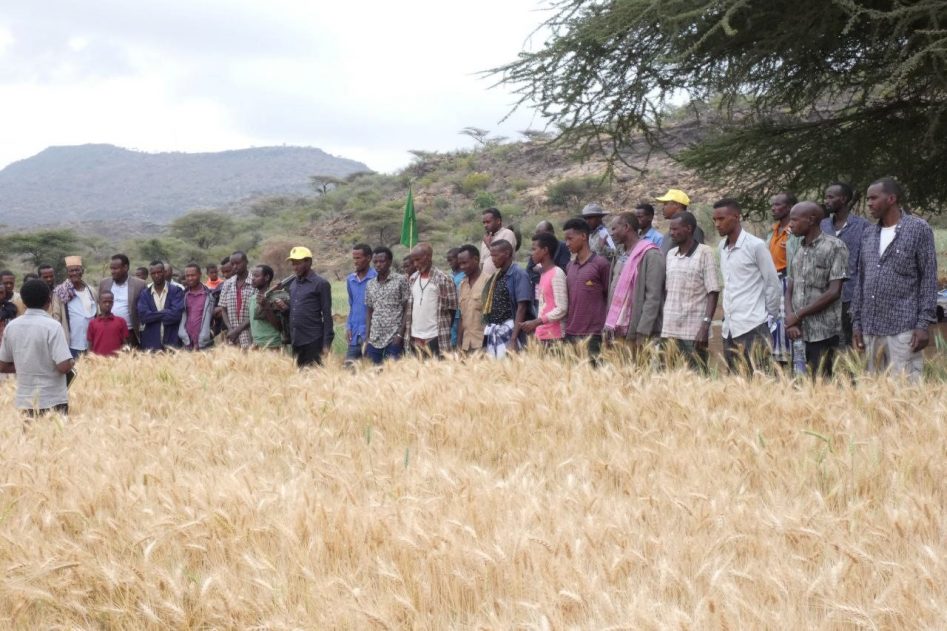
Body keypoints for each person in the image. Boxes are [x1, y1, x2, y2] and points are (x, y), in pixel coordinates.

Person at [852, 177, 938, 380]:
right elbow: (861, 281)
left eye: (874, 198)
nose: (869, 204)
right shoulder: (868, 234)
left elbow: (928, 278)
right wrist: (857, 323)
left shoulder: (918, 229)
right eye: (867, 199)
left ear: (891, 198)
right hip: (870, 329)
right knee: (873, 393)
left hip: (903, 328)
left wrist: (923, 324)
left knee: (905, 392)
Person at [713, 198, 781, 372]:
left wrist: (768, 318)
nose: (717, 224)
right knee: (736, 383)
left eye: (721, 219)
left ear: (736, 217)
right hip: (729, 327)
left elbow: (772, 283)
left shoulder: (756, 246)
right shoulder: (722, 247)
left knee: (760, 379)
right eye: (714, 220)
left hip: (753, 325)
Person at [785, 202, 849, 378]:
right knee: (800, 384)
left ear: (811, 220)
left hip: (823, 332)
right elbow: (790, 288)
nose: (790, 224)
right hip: (798, 331)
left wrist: (798, 315)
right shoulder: (798, 249)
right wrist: (791, 320)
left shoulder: (835, 246)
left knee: (823, 382)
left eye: (794, 219)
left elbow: (834, 291)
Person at [0, 280, 74, 417]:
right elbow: (63, 367)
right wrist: (72, 363)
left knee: (28, 438)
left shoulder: (12, 327)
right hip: (53, 399)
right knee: (56, 438)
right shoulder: (53, 326)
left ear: (23, 301)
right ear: (49, 300)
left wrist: (26, 365)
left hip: (25, 400)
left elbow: (2, 366)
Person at [662, 212, 720, 371]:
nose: (671, 233)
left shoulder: (705, 252)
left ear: (689, 229)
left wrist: (705, 326)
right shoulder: (670, 255)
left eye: (675, 229)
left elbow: (713, 291)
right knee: (668, 378)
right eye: (670, 230)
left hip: (693, 331)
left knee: (697, 379)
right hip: (669, 329)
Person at [604, 212, 665, 349]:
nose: (611, 233)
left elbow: (653, 297)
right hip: (617, 329)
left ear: (626, 227)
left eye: (614, 229)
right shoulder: (620, 254)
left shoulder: (651, 255)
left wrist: (643, 331)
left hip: (638, 332)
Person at [821, 182, 869, 348]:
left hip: (851, 293)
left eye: (830, 197)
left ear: (844, 199)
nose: (826, 201)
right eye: (826, 197)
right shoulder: (823, 225)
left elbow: (866, 261)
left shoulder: (862, 226)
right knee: (831, 340)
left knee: (850, 341)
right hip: (826, 293)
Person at [273, 246, 334, 367]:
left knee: (314, 378)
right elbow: (293, 311)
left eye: (298, 263)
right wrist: (284, 308)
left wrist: (326, 344)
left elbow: (327, 316)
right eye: (293, 263)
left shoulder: (321, 284)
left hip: (313, 340)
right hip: (297, 340)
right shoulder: (293, 284)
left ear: (308, 262)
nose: (295, 267)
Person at [563, 217, 611, 356]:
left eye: (570, 239)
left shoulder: (601, 264)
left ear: (584, 236)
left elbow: (609, 297)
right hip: (571, 333)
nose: (567, 243)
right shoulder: (570, 266)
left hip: (593, 335)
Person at [765, 192, 802, 365]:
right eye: (772, 204)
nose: (773, 208)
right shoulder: (773, 231)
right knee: (773, 323)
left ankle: (792, 361)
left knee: (786, 322)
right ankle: (778, 359)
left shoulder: (795, 232)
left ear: (788, 208)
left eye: (777, 204)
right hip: (773, 282)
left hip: (789, 281)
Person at [403, 243, 458, 357]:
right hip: (415, 337)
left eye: (418, 260)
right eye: (413, 261)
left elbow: (452, 310)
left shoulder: (444, 279)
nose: (415, 264)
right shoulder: (413, 279)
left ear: (428, 257)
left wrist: (442, 329)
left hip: (434, 338)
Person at [481, 239, 533, 357]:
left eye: (495, 255)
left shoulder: (518, 274)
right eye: (491, 255)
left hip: (510, 331)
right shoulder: (498, 275)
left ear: (507, 253)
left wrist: (513, 339)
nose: (492, 259)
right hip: (497, 330)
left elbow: (522, 307)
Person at [364, 247, 411, 364]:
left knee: (393, 376)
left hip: (394, 338)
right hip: (375, 338)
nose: (378, 265)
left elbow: (407, 308)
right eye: (375, 262)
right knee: (373, 375)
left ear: (389, 262)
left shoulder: (401, 281)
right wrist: (367, 337)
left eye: (382, 261)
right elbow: (369, 311)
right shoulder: (370, 284)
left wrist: (400, 334)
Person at [521, 232, 568, 344]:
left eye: (534, 249)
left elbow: (562, 308)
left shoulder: (557, 273)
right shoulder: (543, 274)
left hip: (554, 337)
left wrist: (536, 322)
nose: (531, 253)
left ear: (545, 250)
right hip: (542, 335)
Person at [51, 256, 98, 359]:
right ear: (67, 273)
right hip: (71, 344)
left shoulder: (91, 291)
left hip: (91, 342)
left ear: (82, 271)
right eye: (71, 271)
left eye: (77, 270)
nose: (74, 273)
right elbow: (56, 318)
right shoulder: (60, 292)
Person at [98, 253, 146, 347]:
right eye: (111, 268)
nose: (112, 271)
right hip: (107, 331)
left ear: (126, 268)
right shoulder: (104, 283)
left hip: (129, 333)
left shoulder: (139, 284)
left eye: (115, 268)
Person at [137, 260, 185, 351]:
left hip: (173, 341)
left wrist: (153, 315)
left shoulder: (176, 291)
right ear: (150, 275)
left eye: (159, 272)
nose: (156, 275)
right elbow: (144, 317)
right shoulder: (145, 294)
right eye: (153, 273)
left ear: (164, 272)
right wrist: (165, 312)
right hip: (151, 342)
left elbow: (176, 315)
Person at [345, 243, 377, 361]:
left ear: (368, 258)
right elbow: (352, 305)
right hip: (353, 335)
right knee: (349, 372)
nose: (355, 261)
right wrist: (348, 326)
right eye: (354, 258)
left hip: (371, 336)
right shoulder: (350, 279)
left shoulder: (376, 278)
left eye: (358, 258)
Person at [219, 251, 255, 348]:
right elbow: (223, 309)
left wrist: (237, 330)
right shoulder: (228, 283)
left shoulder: (255, 282)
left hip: (251, 335)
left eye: (238, 263)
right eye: (232, 264)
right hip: (232, 337)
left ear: (246, 262)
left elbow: (255, 312)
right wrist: (231, 329)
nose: (235, 266)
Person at [456, 244, 488, 353]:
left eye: (465, 263)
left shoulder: (488, 282)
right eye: (460, 264)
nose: (462, 267)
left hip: (482, 344)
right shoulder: (462, 285)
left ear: (476, 259)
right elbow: (462, 317)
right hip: (465, 344)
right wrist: (459, 344)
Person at [248, 264, 287, 350]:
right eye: (252, 276)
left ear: (266, 278)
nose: (253, 278)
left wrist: (266, 306)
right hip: (256, 345)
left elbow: (279, 326)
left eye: (256, 276)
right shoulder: (253, 298)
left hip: (272, 345)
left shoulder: (275, 298)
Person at [178, 263, 215, 350]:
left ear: (199, 275)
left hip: (204, 344)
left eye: (193, 275)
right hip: (187, 343)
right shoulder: (183, 295)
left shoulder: (209, 295)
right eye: (187, 276)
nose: (190, 278)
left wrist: (209, 334)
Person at [657, 189, 705, 255]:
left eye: (665, 204)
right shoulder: (667, 234)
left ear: (677, 205)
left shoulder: (693, 230)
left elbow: (698, 256)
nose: (663, 208)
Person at [86, 291, 129, 356]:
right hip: (98, 362)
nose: (107, 304)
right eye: (104, 302)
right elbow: (90, 345)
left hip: (117, 361)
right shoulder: (93, 323)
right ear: (99, 303)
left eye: (110, 302)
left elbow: (125, 343)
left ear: (113, 303)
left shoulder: (121, 321)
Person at [479, 208, 518, 277]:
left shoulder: (507, 233)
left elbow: (503, 256)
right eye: (484, 223)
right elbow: (482, 262)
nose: (485, 225)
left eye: (488, 222)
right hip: (486, 280)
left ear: (498, 221)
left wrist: (488, 244)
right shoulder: (486, 238)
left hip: (503, 279)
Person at [447, 247, 464, 348]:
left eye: (451, 260)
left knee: (458, 339)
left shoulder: (464, 276)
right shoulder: (450, 275)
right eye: (447, 261)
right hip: (451, 313)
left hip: (459, 314)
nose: (449, 263)